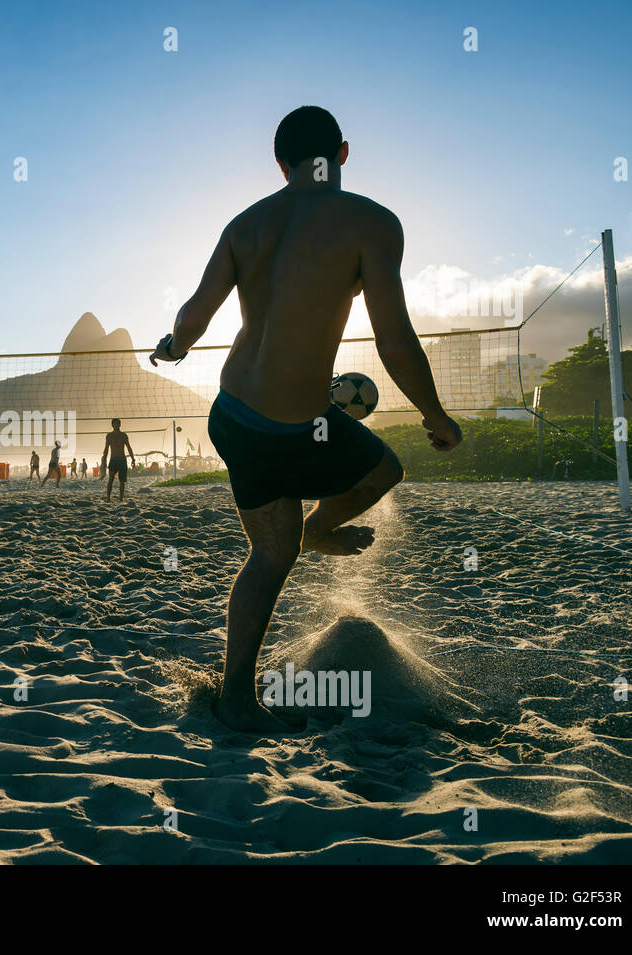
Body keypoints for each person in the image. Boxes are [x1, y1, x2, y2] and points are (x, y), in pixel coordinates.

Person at [150, 106, 462, 733]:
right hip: (292, 427)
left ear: (280, 164)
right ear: (342, 153)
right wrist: (436, 415)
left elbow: (192, 317)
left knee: (269, 556)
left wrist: (173, 347)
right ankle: (319, 531)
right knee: (383, 469)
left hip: (234, 416)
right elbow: (395, 341)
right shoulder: (370, 223)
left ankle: (236, 696)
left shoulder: (244, 225)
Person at [101, 419, 136, 502]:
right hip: (113, 459)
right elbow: (106, 449)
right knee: (111, 479)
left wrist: (133, 459)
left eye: (117, 424)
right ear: (112, 425)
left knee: (122, 481)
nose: (116, 425)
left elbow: (129, 447)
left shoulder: (123, 435)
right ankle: (108, 498)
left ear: (120, 425)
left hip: (122, 460)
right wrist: (104, 461)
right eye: (114, 424)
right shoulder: (109, 435)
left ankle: (121, 499)